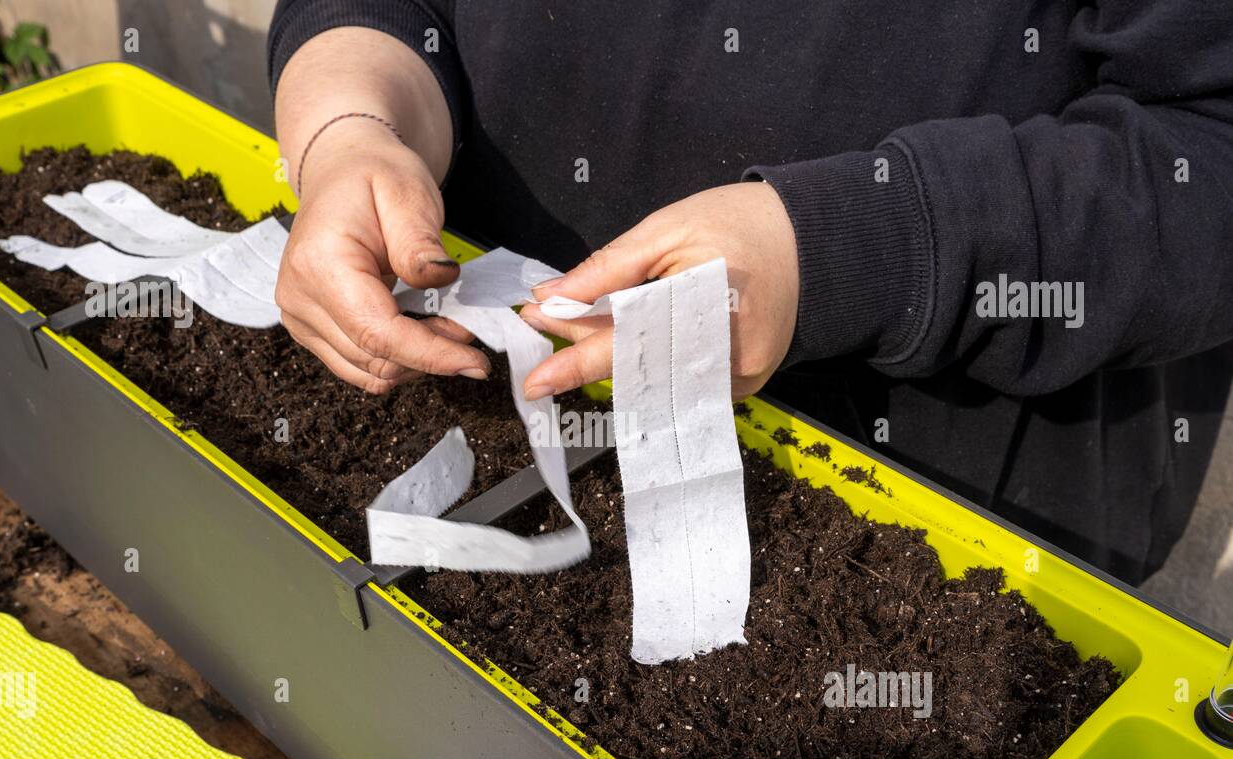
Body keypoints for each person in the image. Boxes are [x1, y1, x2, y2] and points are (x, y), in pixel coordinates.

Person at [267, 1, 1233, 585]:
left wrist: (847, 250)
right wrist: (351, 122)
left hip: (928, 497)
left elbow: (1207, 150)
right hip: (497, 393)